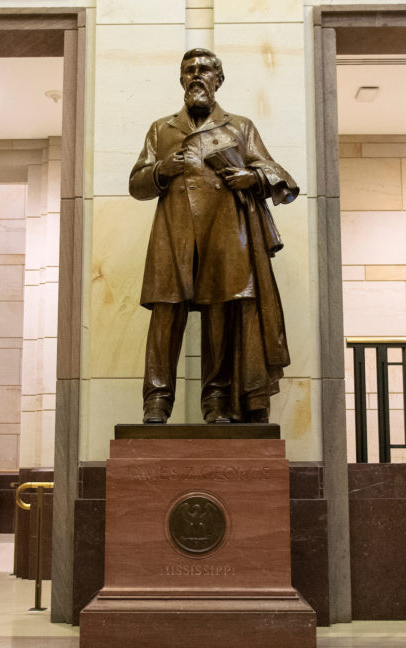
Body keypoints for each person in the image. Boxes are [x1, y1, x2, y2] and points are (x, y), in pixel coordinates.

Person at [129, 48, 299, 424]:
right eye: (189, 69)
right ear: (181, 79)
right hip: (173, 233)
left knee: (221, 316)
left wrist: (253, 177)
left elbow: (276, 172)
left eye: (205, 69)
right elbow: (137, 184)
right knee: (165, 316)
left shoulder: (239, 126)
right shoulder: (162, 129)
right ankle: (156, 400)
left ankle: (217, 402)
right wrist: (160, 170)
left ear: (218, 80)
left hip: (225, 233)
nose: (196, 75)